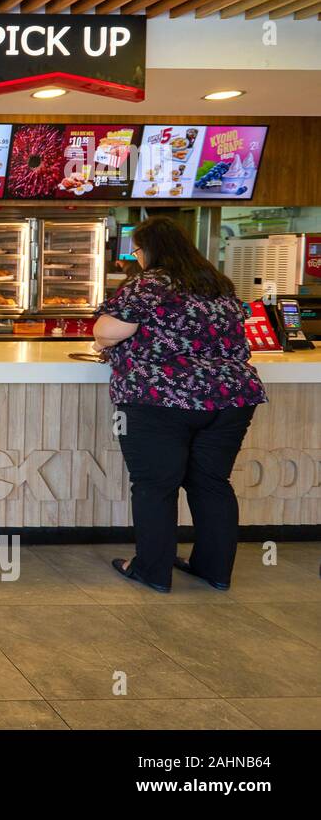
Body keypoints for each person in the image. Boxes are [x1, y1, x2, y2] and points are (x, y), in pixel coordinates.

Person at [92, 217, 265, 593]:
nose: (136, 258)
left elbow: (107, 331)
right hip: (232, 397)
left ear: (150, 250)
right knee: (212, 483)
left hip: (160, 398)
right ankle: (214, 571)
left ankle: (152, 571)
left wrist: (106, 341)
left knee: (155, 485)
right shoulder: (217, 283)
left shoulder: (150, 283)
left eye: (137, 251)